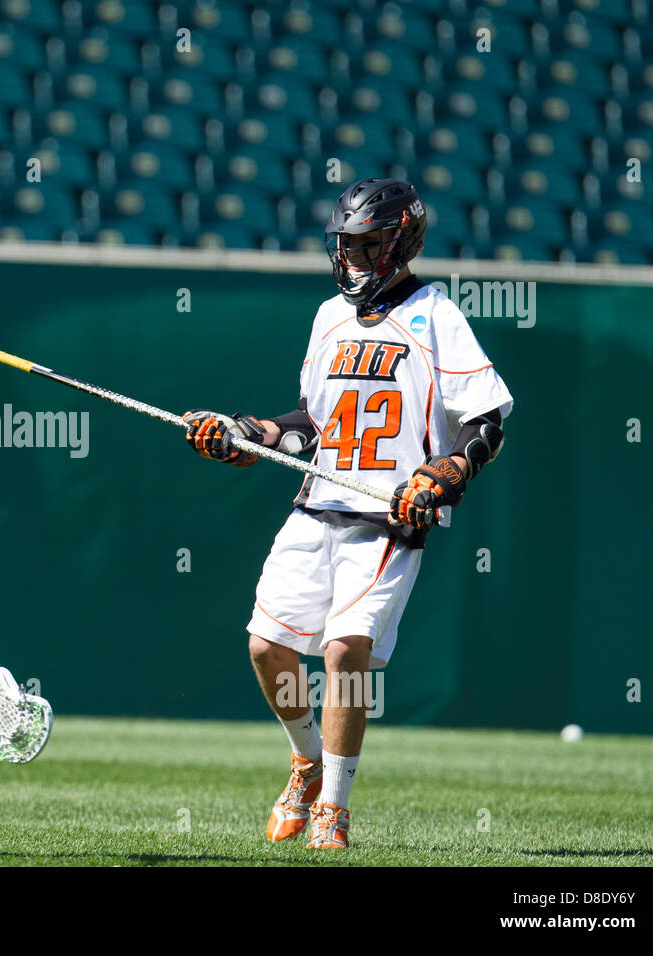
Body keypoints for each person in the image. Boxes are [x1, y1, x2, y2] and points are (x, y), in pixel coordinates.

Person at [181, 178, 513, 849]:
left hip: (387, 519)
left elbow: (486, 419)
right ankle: (305, 761)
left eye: (369, 245)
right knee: (267, 650)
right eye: (347, 246)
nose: (355, 259)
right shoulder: (328, 317)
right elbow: (313, 423)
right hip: (316, 508)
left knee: (344, 648)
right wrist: (250, 433)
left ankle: (333, 805)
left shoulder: (435, 314)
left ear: (401, 242)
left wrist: (448, 471)